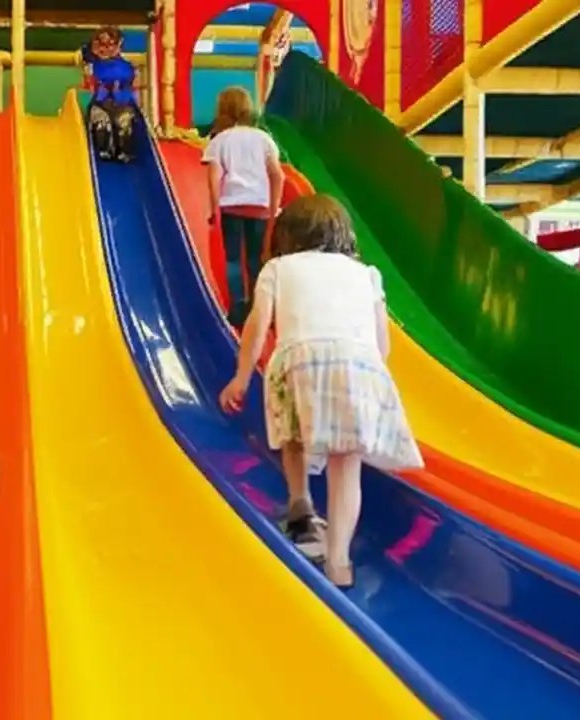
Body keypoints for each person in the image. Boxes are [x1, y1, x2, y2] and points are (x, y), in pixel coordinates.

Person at [217, 195, 423, 589]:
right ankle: (340, 562)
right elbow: (382, 344)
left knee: (292, 430)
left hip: (299, 359)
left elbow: (258, 325)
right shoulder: (367, 274)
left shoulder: (277, 268)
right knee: (347, 464)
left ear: (287, 235)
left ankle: (300, 500)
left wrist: (242, 377)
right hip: (357, 364)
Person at [203, 86, 282, 328]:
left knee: (234, 260)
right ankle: (262, 308)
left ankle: (238, 307)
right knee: (257, 259)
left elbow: (214, 177)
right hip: (259, 205)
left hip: (231, 208)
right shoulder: (263, 139)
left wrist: (214, 208)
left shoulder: (220, 141)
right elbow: (278, 176)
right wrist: (273, 209)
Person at [81, 26, 140, 162]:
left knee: (124, 123)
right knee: (101, 123)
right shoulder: (94, 64)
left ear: (118, 45)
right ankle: (104, 149)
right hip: (101, 104)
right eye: (100, 44)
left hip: (122, 104)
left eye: (110, 45)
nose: (105, 49)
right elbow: (85, 56)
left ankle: (124, 151)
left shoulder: (125, 66)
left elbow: (125, 77)